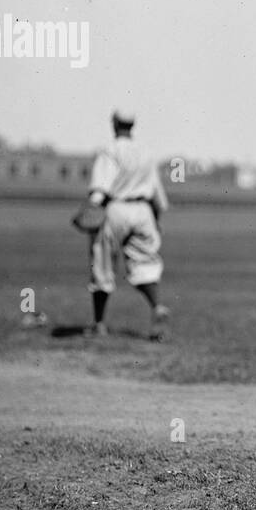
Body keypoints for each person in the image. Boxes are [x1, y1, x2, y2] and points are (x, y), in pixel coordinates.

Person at [85, 109, 171, 341]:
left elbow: (101, 187)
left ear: (114, 124)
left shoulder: (110, 150)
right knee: (146, 264)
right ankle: (157, 307)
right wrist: (156, 221)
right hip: (143, 210)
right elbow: (157, 195)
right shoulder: (146, 152)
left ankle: (99, 324)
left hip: (116, 208)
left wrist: (92, 208)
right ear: (133, 125)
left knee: (102, 264)